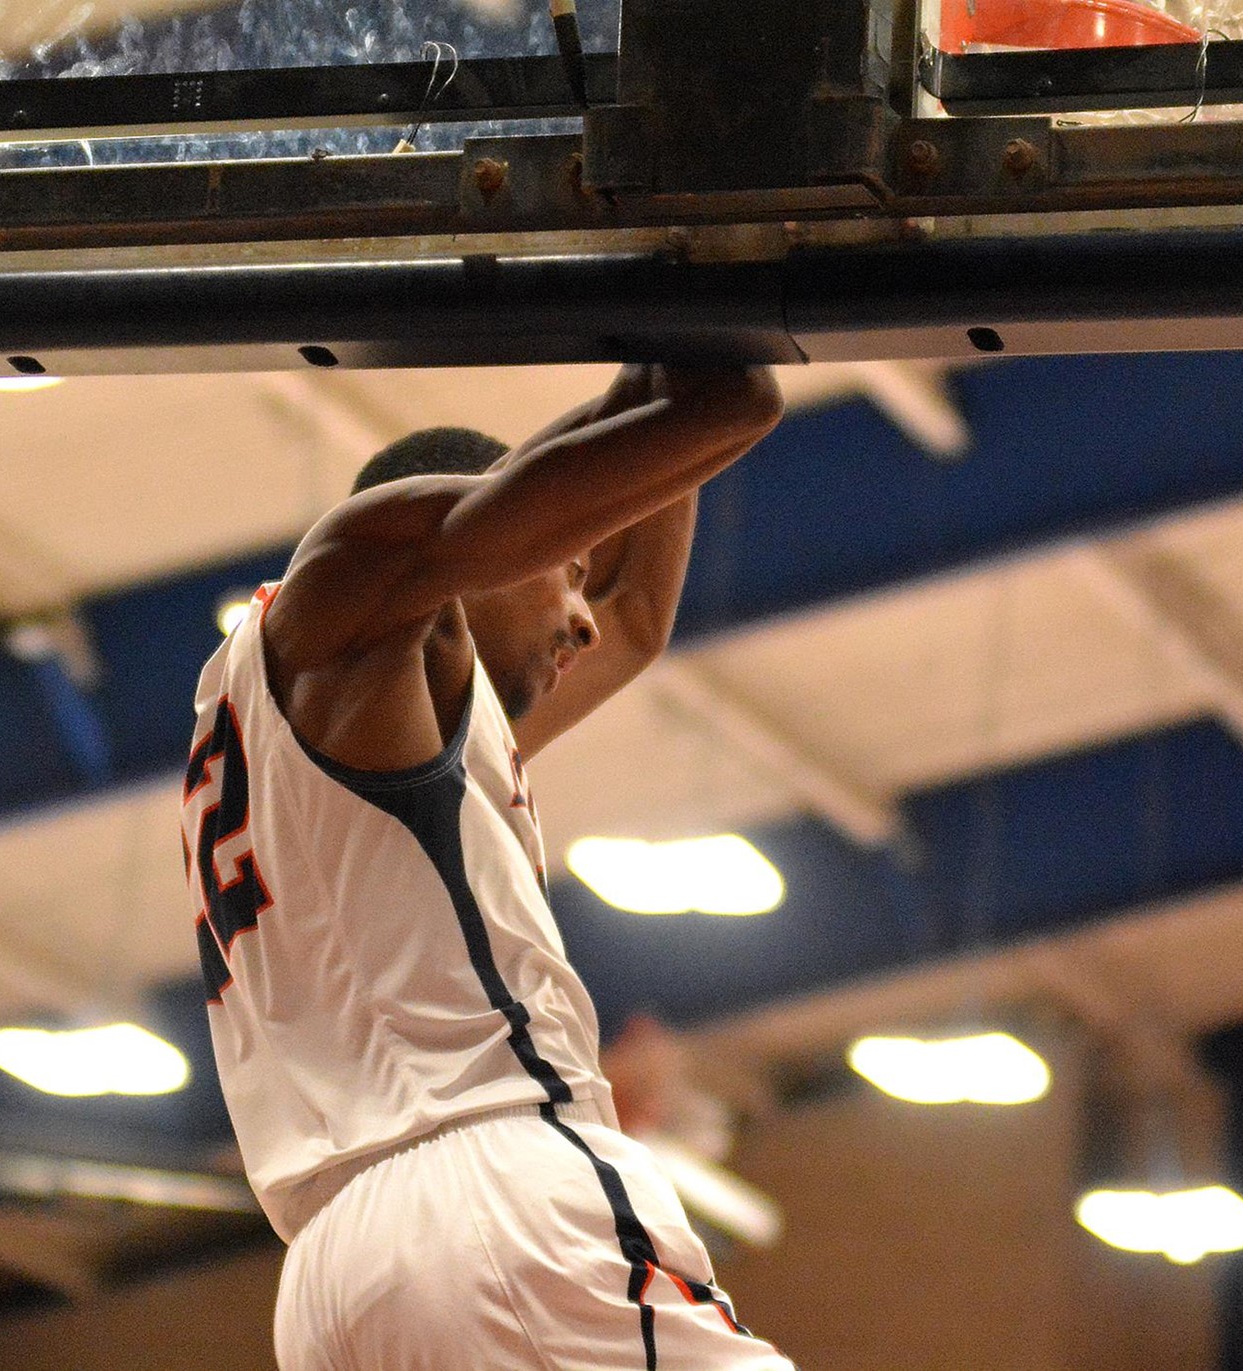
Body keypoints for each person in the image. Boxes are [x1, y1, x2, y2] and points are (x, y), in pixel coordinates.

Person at [179, 362, 793, 1370]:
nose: (588, 616)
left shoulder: (333, 732)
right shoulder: (342, 593)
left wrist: (663, 323)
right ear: (498, 550)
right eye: (566, 571)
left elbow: (636, 611)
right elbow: (731, 404)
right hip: (492, 1194)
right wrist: (717, 291)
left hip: (338, 1278)